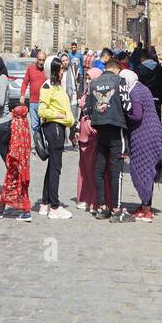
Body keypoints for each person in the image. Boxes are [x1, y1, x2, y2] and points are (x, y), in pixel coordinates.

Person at [85, 55, 131, 222]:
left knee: (99, 168)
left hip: (100, 128)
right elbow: (128, 106)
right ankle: (116, 209)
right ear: (117, 70)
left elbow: (87, 108)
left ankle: (102, 207)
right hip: (116, 128)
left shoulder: (94, 82)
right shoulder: (120, 81)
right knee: (116, 170)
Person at [127, 72, 162, 222]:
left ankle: (146, 210)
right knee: (148, 171)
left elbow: (137, 115)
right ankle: (145, 205)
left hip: (145, 136)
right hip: (155, 133)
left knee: (142, 171)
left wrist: (126, 116)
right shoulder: (142, 88)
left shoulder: (135, 92)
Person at [38, 58, 74, 218]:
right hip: (54, 128)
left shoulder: (56, 86)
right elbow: (42, 111)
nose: (62, 72)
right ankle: (54, 206)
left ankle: (45, 203)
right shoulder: (47, 86)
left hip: (60, 127)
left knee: (52, 166)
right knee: (56, 168)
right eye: (60, 69)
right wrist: (58, 115)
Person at [75, 67, 114, 212]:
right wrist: (77, 129)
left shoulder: (99, 94)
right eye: (86, 78)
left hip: (93, 134)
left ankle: (95, 200)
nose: (87, 81)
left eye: (90, 78)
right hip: (83, 134)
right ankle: (85, 197)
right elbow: (81, 112)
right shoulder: (87, 92)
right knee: (84, 169)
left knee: (94, 169)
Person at [0, 104, 33, 221]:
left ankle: (0, 210)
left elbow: (13, 146)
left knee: (9, 185)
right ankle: (26, 211)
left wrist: (10, 160)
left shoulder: (15, 124)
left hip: (15, 162)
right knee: (22, 187)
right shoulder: (25, 124)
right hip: (23, 164)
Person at [19, 49, 47, 136]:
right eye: (40, 60)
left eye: (43, 60)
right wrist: (22, 95)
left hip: (44, 102)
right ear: (36, 59)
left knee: (44, 127)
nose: (41, 62)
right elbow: (25, 83)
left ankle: (44, 143)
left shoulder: (47, 70)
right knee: (35, 126)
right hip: (33, 102)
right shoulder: (30, 69)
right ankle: (37, 143)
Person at [57, 51, 80, 147]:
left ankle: (73, 138)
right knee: (62, 121)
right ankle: (62, 142)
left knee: (73, 121)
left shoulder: (74, 68)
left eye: (66, 60)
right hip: (63, 100)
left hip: (73, 98)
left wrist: (79, 97)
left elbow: (79, 83)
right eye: (63, 61)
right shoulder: (59, 71)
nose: (65, 62)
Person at [135, 48, 162, 119]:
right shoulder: (158, 67)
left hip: (143, 97)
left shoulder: (139, 68)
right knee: (157, 117)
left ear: (142, 58)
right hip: (157, 96)